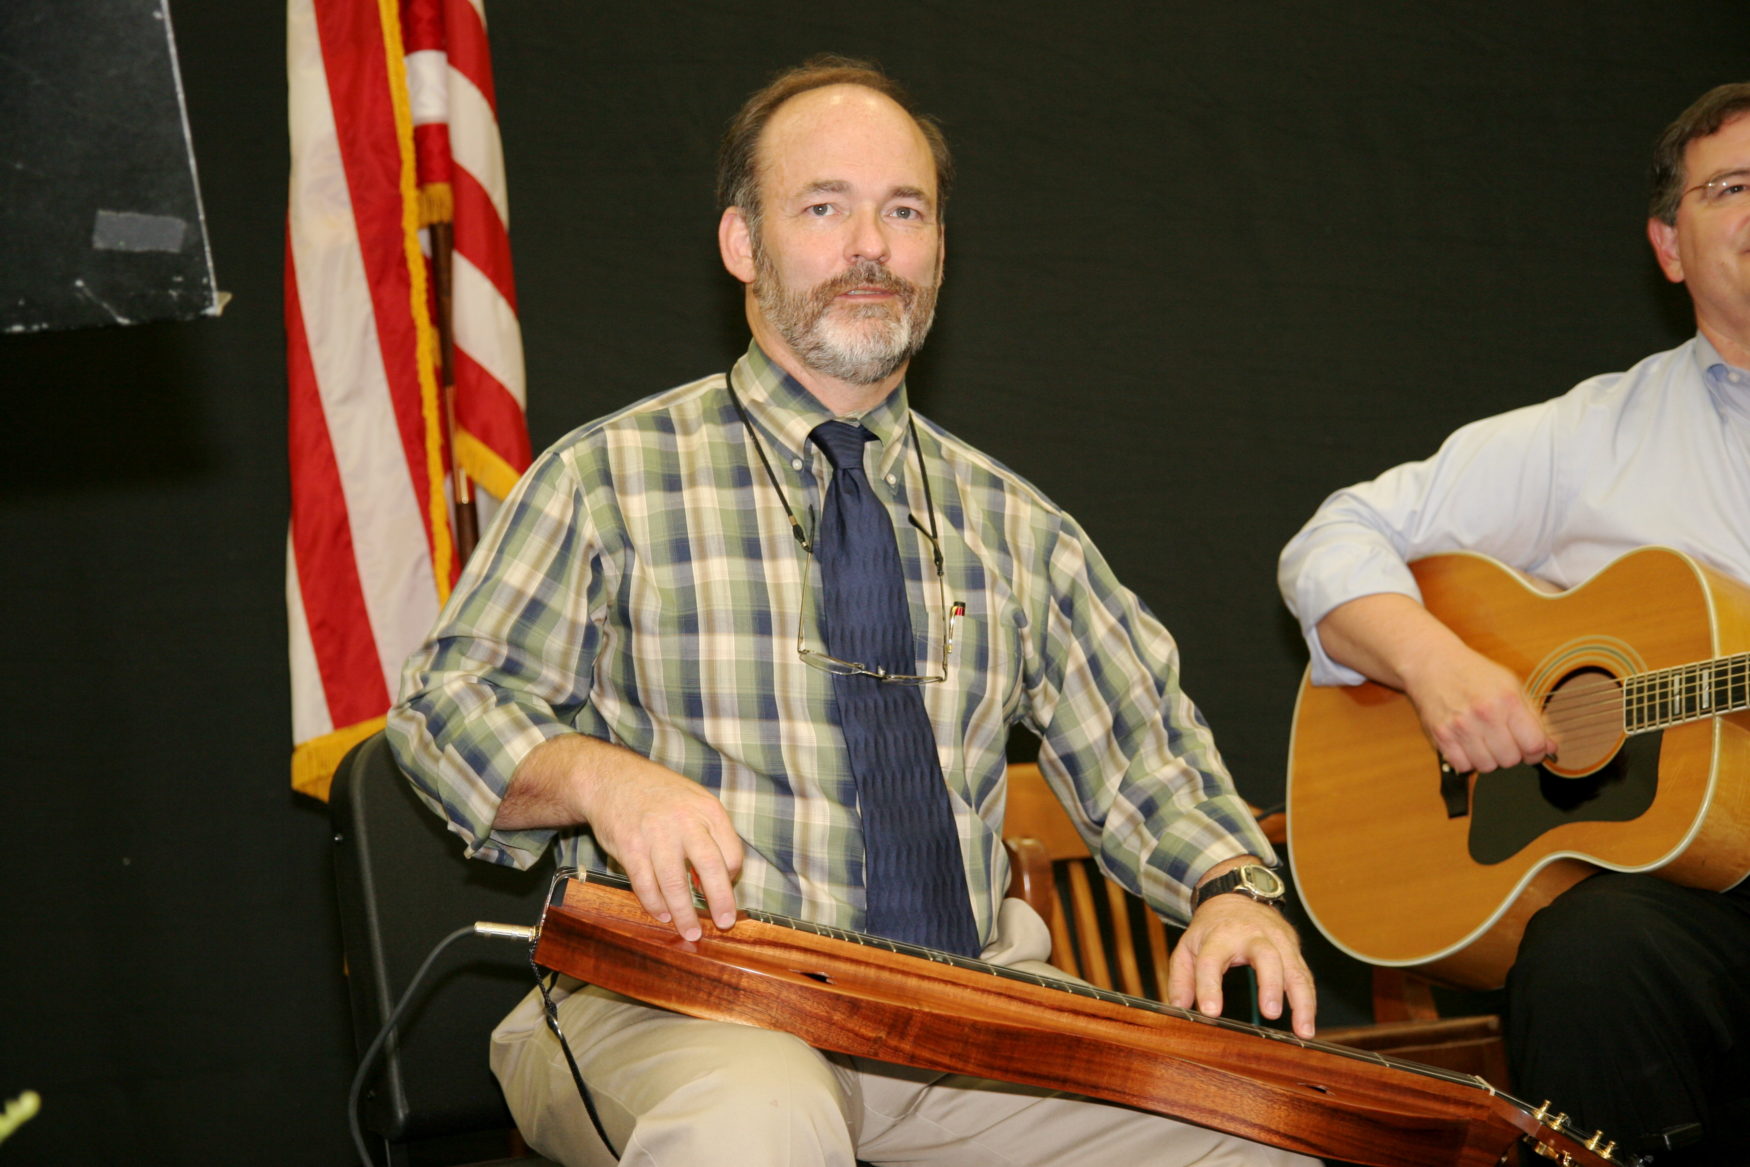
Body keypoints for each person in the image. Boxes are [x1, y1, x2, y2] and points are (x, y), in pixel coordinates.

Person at [388, 55, 1316, 1167]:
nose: (869, 247)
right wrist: (602, 777)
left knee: (1254, 1140)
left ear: (936, 252)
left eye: (904, 212)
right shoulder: (608, 479)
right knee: (760, 1125)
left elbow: (1146, 758)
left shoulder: (1018, 526)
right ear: (743, 244)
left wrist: (1230, 890)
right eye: (824, 208)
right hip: (682, 1001)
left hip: (965, 1013)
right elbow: (444, 709)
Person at [1278, 81, 1750, 1166]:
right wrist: (1438, 667)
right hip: (1698, 909)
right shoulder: (1586, 437)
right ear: (1668, 247)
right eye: (1729, 187)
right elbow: (1333, 540)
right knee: (1587, 958)